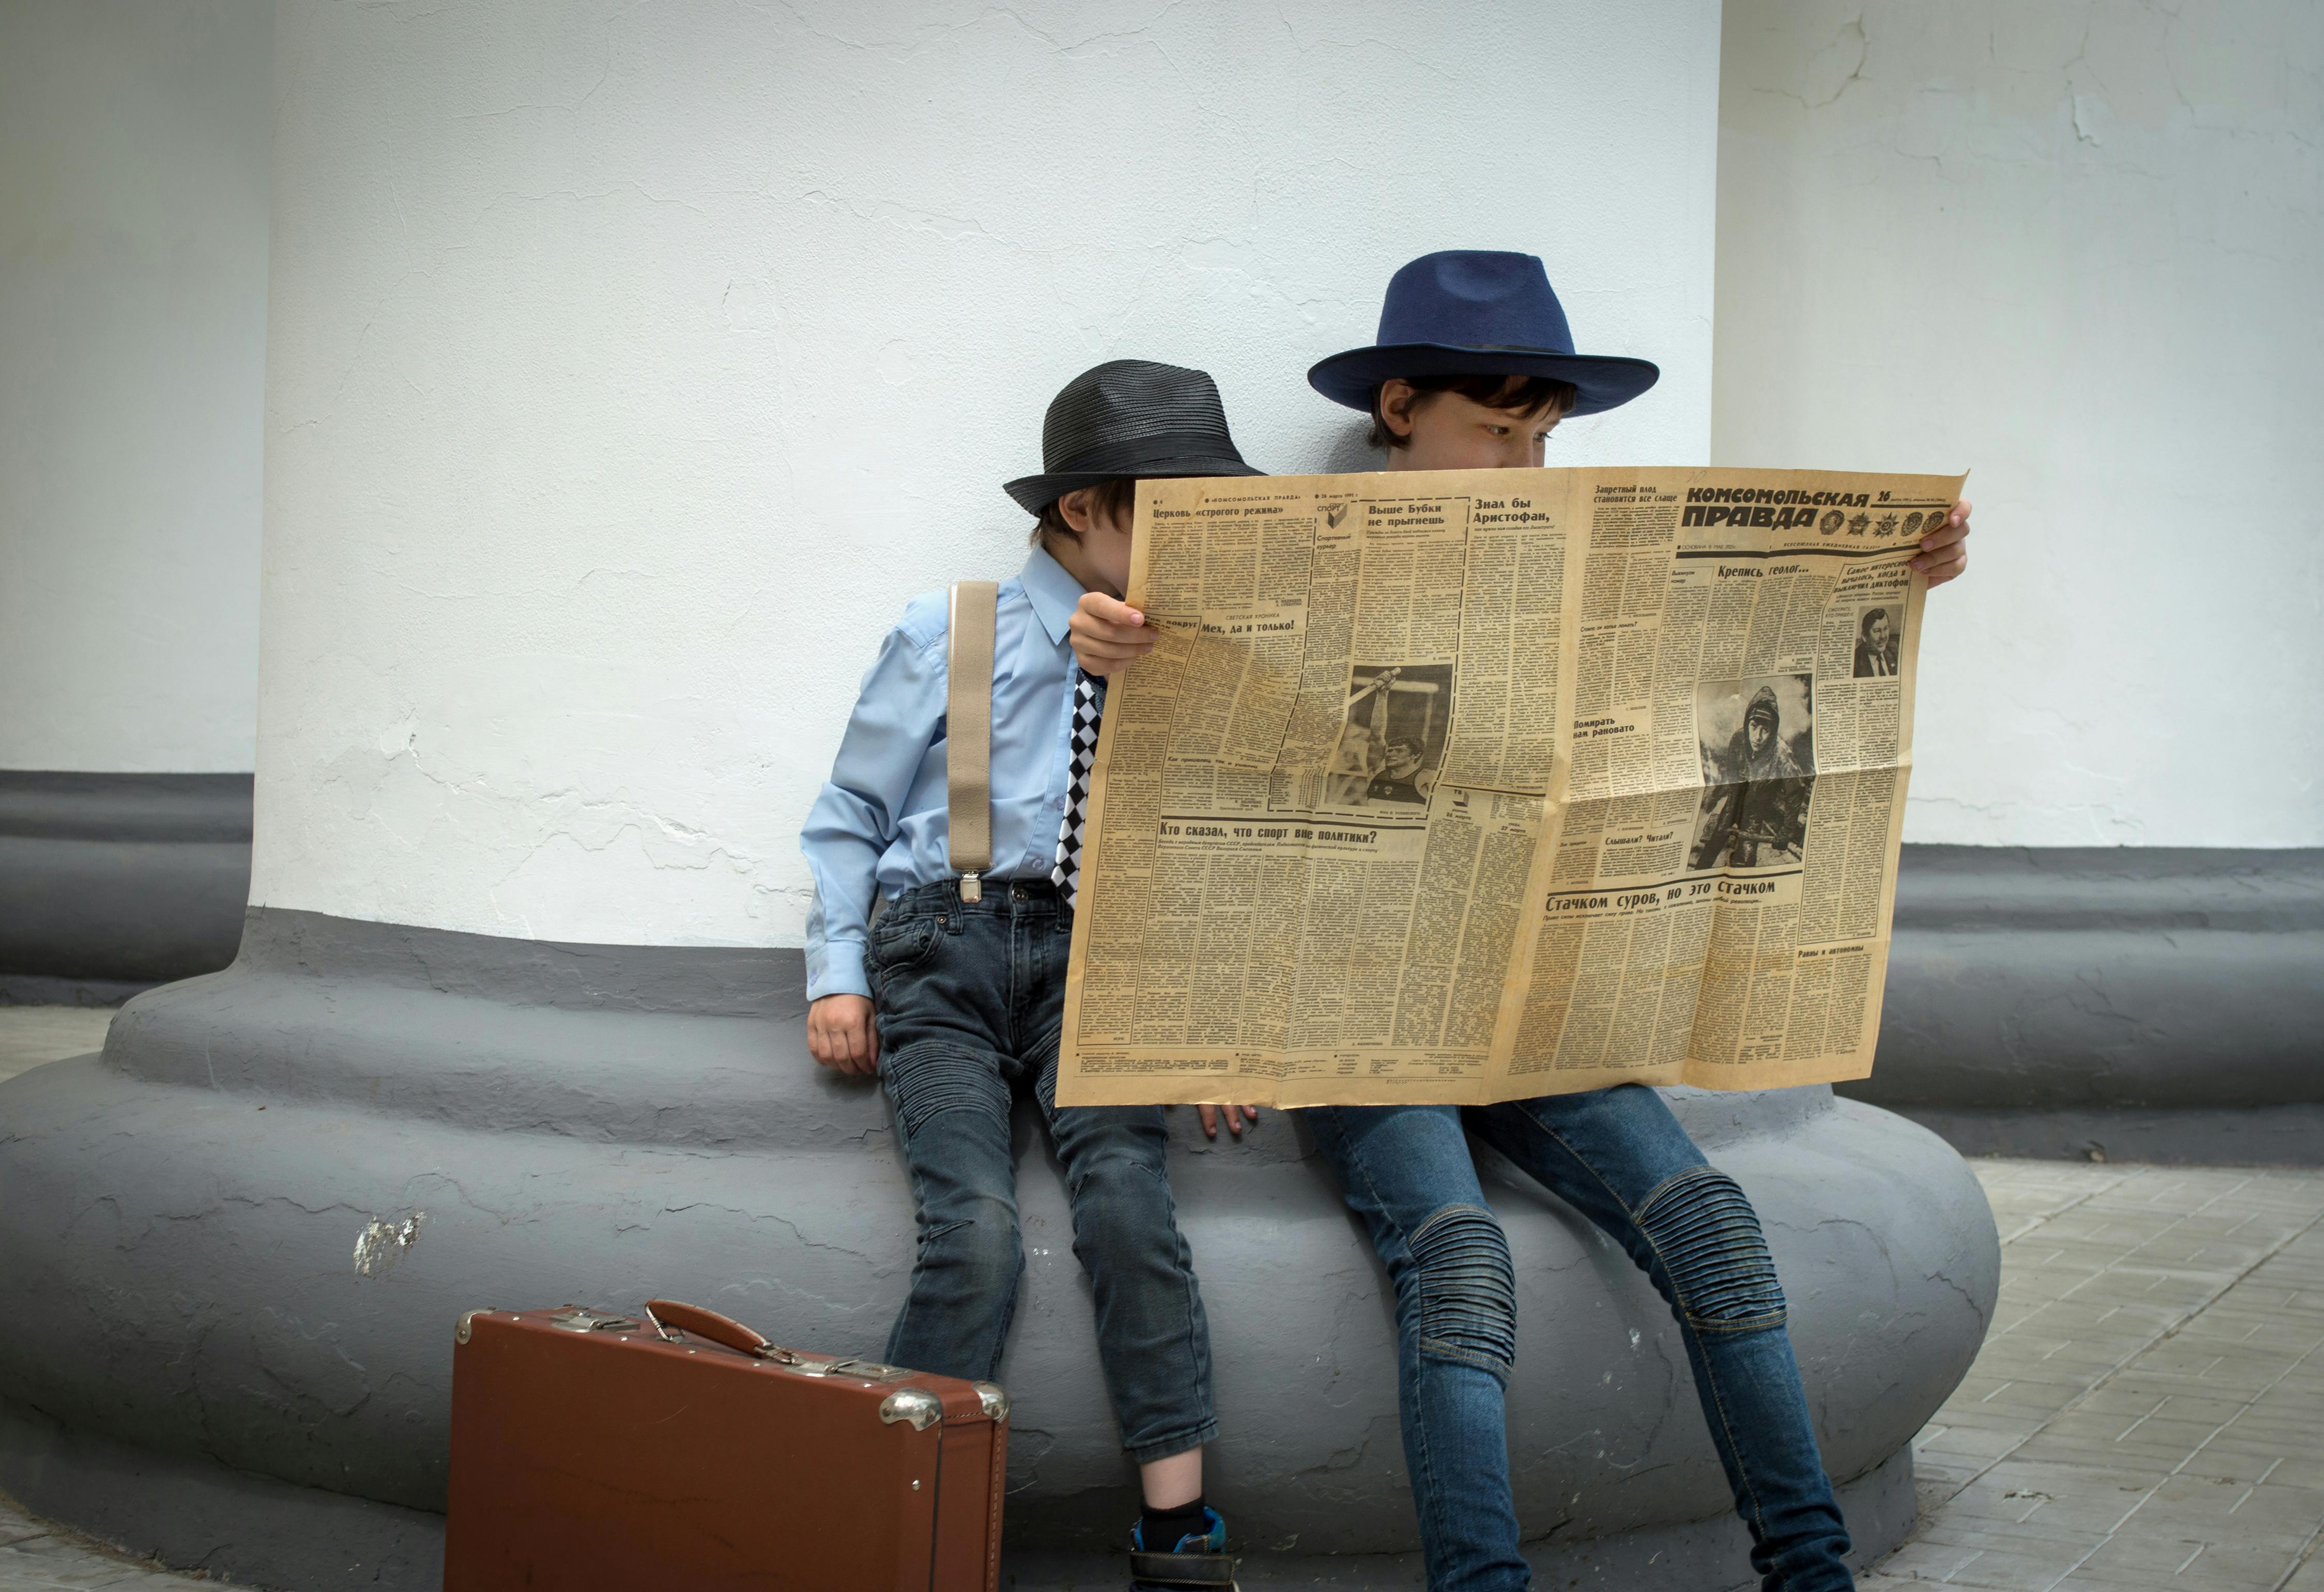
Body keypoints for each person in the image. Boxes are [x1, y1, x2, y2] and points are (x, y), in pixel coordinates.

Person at [1067, 252, 1975, 1592]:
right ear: (1397, 412)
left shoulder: (1582, 548)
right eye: (1494, 429)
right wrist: (1115, 644)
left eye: (1540, 437)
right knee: (1459, 1265)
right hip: (1360, 1018)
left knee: (1713, 1225)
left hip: (1538, 1000)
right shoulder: (1283, 556)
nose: (1523, 460)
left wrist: (1891, 575)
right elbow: (1173, 784)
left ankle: (1811, 1575)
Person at [800, 359, 1264, 1590]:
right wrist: (834, 973)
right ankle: (893, 1529)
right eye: (1160, 518)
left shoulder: (1199, 654)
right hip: (938, 954)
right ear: (1080, 513)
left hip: (1099, 959)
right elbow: (852, 806)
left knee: (1130, 1211)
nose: (1185, 549)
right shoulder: (948, 629)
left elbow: (1217, 846)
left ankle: (1176, 1537)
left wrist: (1203, 1015)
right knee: (978, 1235)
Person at [1691, 683, 1813, 869]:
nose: (1758, 736)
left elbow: (1796, 791)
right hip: (1735, 799)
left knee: (1747, 855)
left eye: (1765, 730)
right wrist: (1729, 807)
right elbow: (1732, 777)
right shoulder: (1738, 740)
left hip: (1758, 807)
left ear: (1773, 731)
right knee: (1713, 843)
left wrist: (1786, 831)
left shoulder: (1782, 754)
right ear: (1748, 722)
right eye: (1754, 727)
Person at [1854, 607, 1899, 677]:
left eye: (1886, 629)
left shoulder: (1895, 652)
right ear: (1865, 636)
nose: (1883, 636)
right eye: (1878, 631)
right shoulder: (1855, 663)